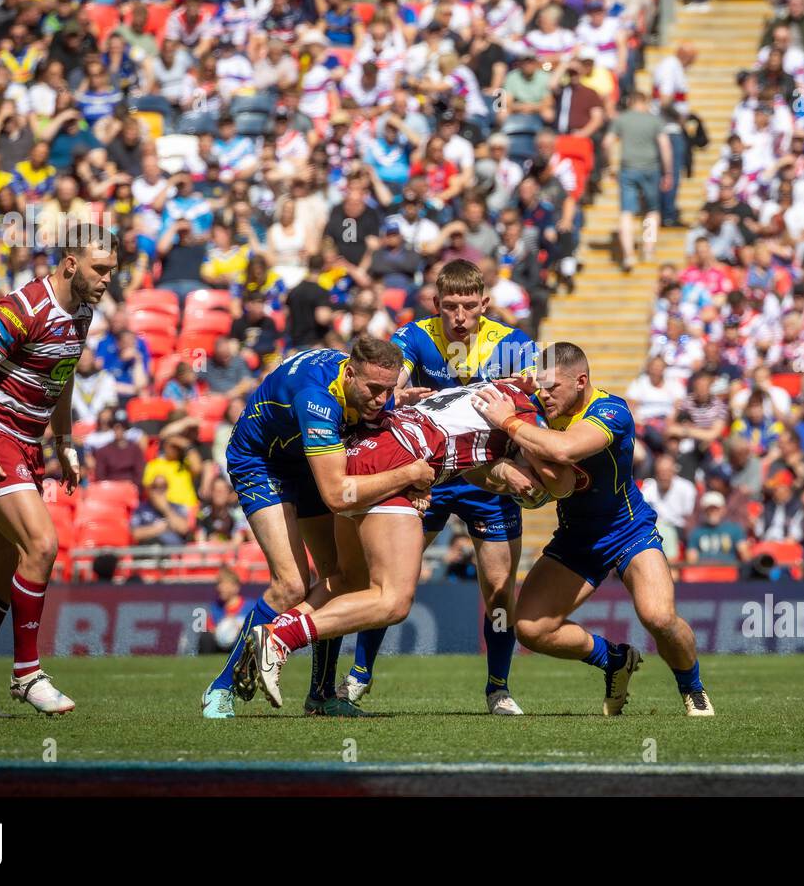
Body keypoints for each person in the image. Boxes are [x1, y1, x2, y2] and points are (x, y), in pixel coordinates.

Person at [243, 378, 575, 711]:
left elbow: (471, 461)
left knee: (347, 582)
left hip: (365, 451)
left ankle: (269, 641)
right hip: (399, 463)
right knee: (393, 601)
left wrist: (505, 474)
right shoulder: (524, 416)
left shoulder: (489, 393)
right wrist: (537, 480)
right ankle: (282, 639)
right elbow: (556, 470)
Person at [338, 260, 539, 715]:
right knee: (389, 581)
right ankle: (360, 675)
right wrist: (397, 394)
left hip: (486, 479)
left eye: (469, 306)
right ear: (436, 305)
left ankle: (498, 687)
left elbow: (535, 397)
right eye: (450, 307)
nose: (460, 316)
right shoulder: (414, 337)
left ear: (485, 304)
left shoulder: (513, 344)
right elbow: (393, 377)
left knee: (499, 589)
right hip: (425, 476)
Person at [474, 342, 713, 716]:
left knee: (658, 617)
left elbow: (566, 450)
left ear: (581, 381)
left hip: (627, 529)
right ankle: (615, 659)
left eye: (552, 387)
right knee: (531, 629)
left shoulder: (611, 410)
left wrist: (510, 421)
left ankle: (692, 687)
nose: (543, 394)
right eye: (540, 385)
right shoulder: (538, 405)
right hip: (577, 538)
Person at [200, 338, 435, 719]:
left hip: (312, 460)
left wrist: (400, 405)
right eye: (374, 390)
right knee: (290, 585)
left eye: (389, 390)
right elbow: (338, 495)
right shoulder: (318, 399)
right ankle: (222, 686)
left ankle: (322, 696)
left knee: (341, 578)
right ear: (350, 373)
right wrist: (409, 475)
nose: (381, 400)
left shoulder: (369, 386)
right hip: (263, 462)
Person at [0, 222, 116, 718]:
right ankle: (27, 675)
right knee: (42, 545)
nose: (106, 280)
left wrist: (63, 443)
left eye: (112, 272)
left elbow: (61, 378)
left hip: (28, 445)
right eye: (99, 269)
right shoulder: (24, 308)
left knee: (2, 569)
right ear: (70, 264)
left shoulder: (82, 312)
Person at [603, 91, 672, 271]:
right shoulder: (654, 120)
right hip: (651, 168)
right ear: (644, 102)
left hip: (628, 168)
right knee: (652, 210)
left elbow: (607, 143)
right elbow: (665, 146)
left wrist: (610, 166)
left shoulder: (621, 119)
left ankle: (628, 255)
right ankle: (648, 249)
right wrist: (668, 172)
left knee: (626, 212)